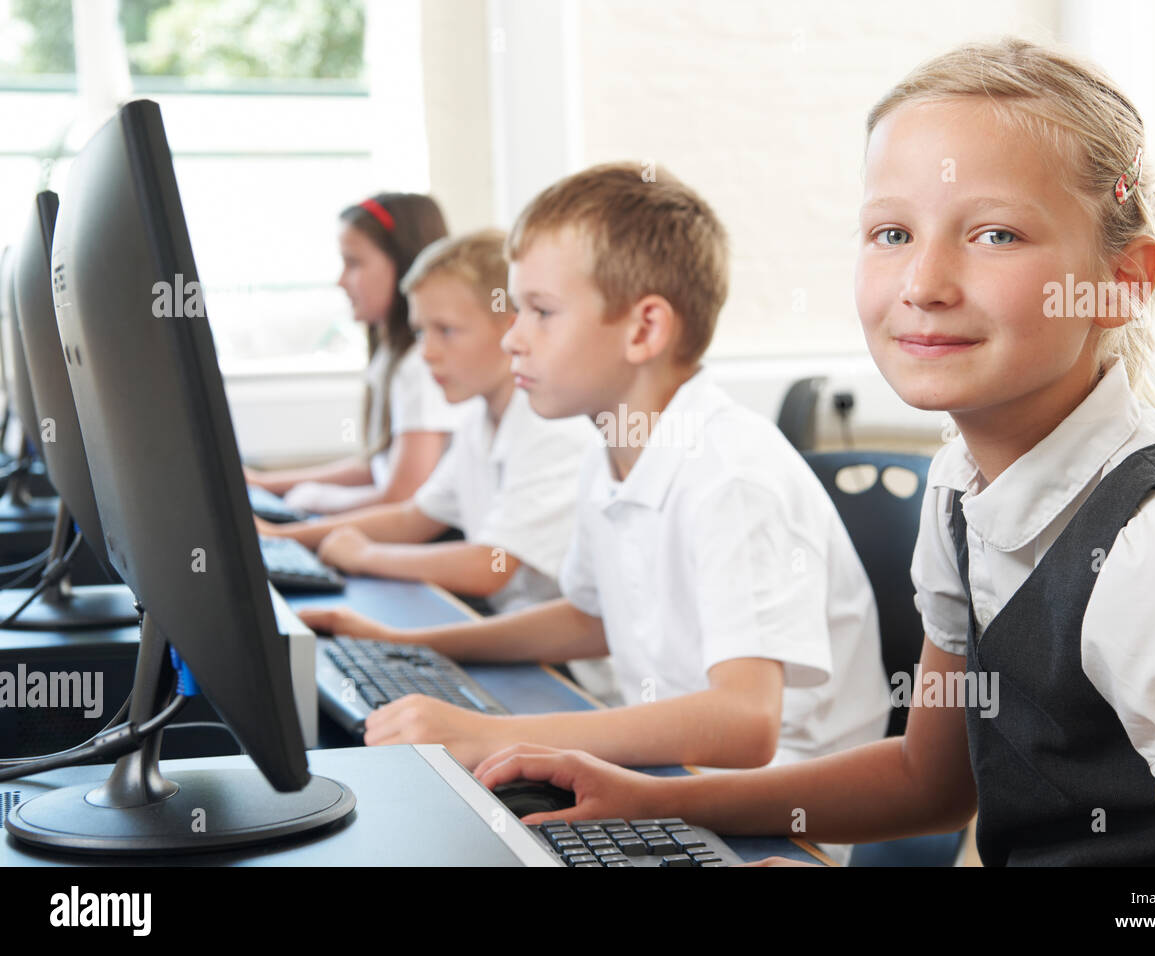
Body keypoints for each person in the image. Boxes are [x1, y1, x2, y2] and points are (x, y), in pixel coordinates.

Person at [470, 38, 1155, 867]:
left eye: (997, 234)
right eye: (892, 231)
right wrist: (654, 797)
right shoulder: (962, 487)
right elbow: (927, 781)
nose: (924, 282)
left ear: (1123, 280)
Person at [298, 165, 893, 797]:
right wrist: (411, 642)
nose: (513, 338)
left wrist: (494, 734)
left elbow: (746, 723)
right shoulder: (609, 450)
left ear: (643, 330)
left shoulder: (731, 476)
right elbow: (592, 617)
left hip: (778, 803)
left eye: (540, 312)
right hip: (676, 770)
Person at [264, 229, 612, 695]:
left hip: (573, 676)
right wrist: (283, 540)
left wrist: (367, 555)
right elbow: (415, 517)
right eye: (422, 331)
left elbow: (489, 567)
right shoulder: (479, 421)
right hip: (519, 641)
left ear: (511, 327)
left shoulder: (551, 428)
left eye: (445, 330)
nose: (427, 352)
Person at [245, 193, 459, 514]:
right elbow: (378, 466)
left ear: (404, 265)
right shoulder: (393, 356)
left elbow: (404, 494)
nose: (341, 281)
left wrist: (318, 501)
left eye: (354, 263)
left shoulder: (422, 364)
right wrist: (267, 483)